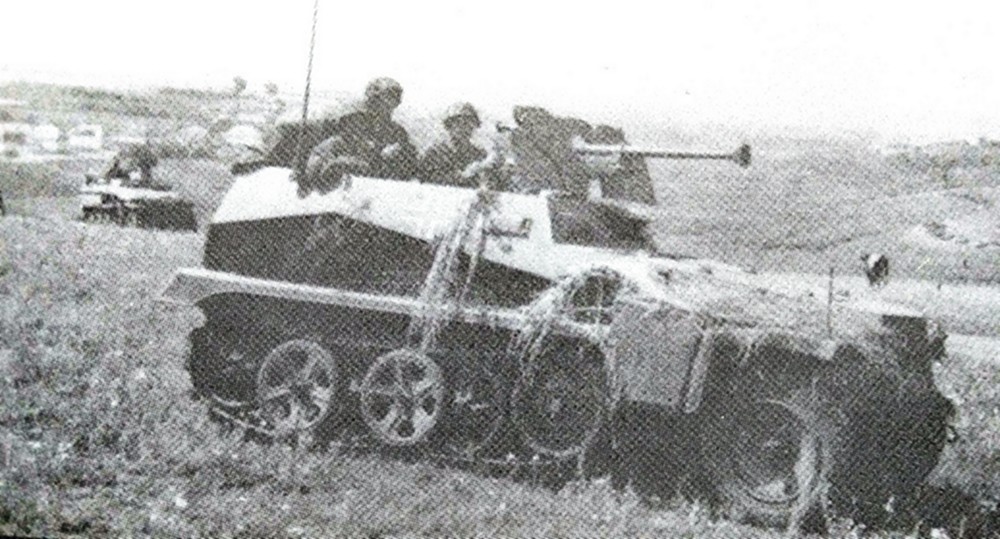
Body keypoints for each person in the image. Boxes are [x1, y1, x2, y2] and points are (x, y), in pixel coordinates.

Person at [302, 77, 419, 194]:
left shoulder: (397, 132)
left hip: (380, 188)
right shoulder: (347, 128)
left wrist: (391, 155)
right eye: (384, 101)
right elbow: (327, 155)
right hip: (344, 189)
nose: (387, 108)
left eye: (393, 102)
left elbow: (406, 167)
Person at [420, 102, 494, 187]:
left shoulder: (479, 155)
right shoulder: (435, 153)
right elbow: (425, 182)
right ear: (449, 126)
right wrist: (462, 176)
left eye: (470, 125)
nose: (465, 129)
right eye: (460, 124)